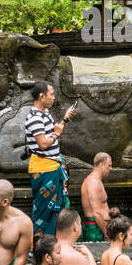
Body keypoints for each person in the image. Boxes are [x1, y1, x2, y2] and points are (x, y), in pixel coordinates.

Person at [25, 81, 76, 239]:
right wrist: (57, 134)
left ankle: (52, 243)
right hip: (44, 168)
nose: (54, 97)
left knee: (55, 209)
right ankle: (40, 246)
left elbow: (52, 133)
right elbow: (43, 144)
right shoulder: (34, 117)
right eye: (52, 94)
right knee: (43, 211)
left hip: (52, 167)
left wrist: (65, 120)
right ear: (42, 96)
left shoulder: (45, 113)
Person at [79, 152, 113, 242]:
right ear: (101, 165)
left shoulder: (93, 180)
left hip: (97, 228)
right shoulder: (94, 183)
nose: (111, 169)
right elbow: (97, 213)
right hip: (96, 231)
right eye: (109, 165)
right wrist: (106, 234)